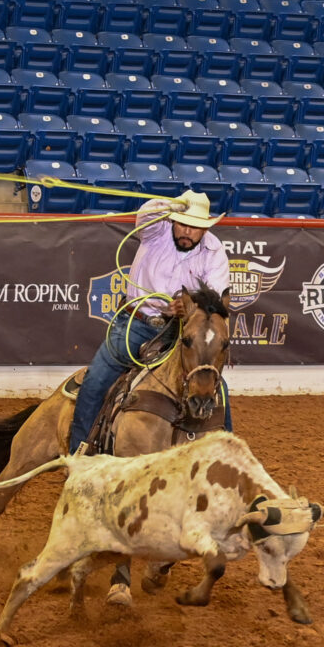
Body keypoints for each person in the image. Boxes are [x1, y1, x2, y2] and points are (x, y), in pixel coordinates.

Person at [67, 189, 232, 455]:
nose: (187, 232)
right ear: (173, 220)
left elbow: (213, 299)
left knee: (214, 384)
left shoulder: (214, 251)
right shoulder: (156, 231)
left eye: (195, 227)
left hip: (177, 330)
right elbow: (145, 214)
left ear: (205, 229)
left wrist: (189, 306)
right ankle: (79, 453)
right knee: (96, 380)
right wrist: (172, 204)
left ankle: (224, 455)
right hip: (135, 322)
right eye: (182, 224)